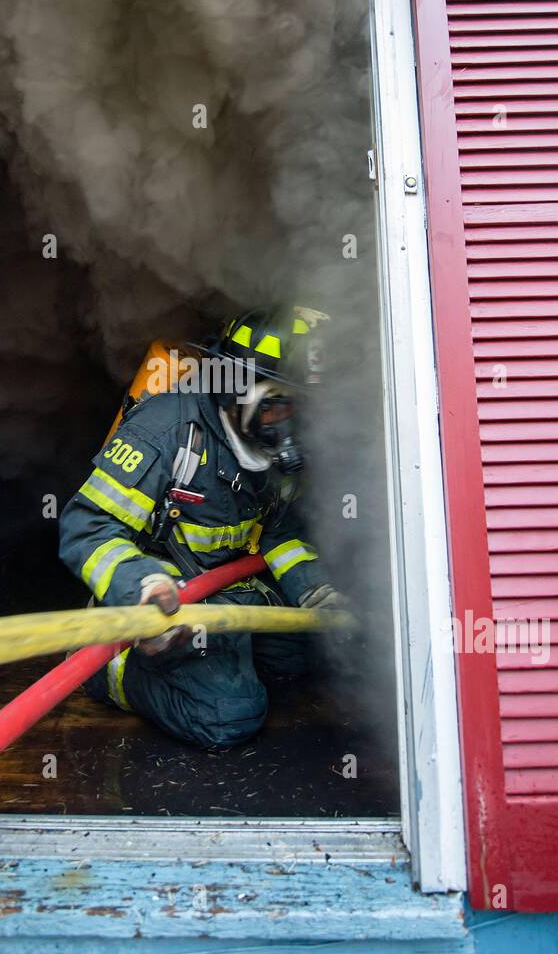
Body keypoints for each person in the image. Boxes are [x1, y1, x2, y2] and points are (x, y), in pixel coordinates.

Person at [58, 307, 348, 749]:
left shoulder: (271, 449)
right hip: (162, 596)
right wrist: (143, 589)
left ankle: (222, 657)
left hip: (220, 590)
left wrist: (313, 589)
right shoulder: (166, 431)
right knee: (230, 717)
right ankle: (109, 671)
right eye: (281, 406)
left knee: (302, 655)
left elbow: (280, 534)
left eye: (304, 408)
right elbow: (87, 526)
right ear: (238, 390)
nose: (293, 428)